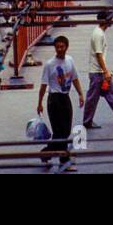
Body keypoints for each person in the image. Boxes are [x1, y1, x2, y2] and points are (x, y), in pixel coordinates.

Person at [37, 36, 83, 166]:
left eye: (62, 47)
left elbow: (75, 78)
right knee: (59, 131)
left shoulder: (70, 60)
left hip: (65, 97)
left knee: (66, 130)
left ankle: (46, 153)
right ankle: (64, 159)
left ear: (66, 47)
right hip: (54, 99)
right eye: (57, 47)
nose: (59, 49)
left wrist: (80, 94)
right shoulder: (50, 64)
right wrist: (39, 103)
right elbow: (43, 85)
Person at [82, 11, 113, 129]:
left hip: (99, 71)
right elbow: (99, 54)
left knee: (111, 92)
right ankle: (87, 121)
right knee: (93, 98)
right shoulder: (98, 35)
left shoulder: (99, 33)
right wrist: (105, 71)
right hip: (97, 72)